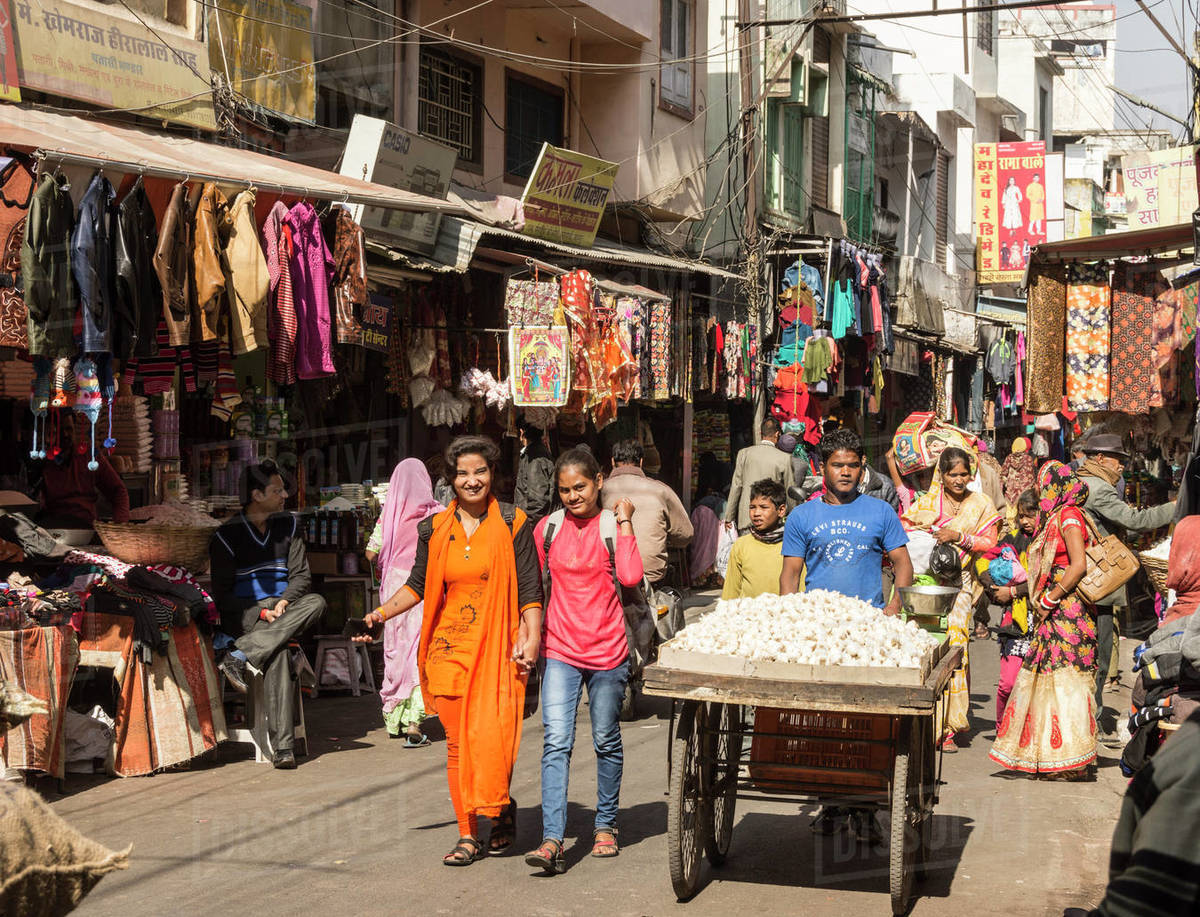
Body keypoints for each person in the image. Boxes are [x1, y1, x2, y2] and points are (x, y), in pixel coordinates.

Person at [362, 436, 543, 866]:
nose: (472, 480)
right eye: (462, 473)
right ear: (451, 480)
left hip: (499, 648)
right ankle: (468, 834)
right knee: (459, 744)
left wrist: (531, 635)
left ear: (493, 474)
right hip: (446, 650)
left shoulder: (515, 522)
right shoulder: (433, 528)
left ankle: (498, 808)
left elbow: (531, 588)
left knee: (493, 739)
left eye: (479, 471)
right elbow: (418, 586)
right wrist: (380, 614)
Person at [781, 428, 913, 841]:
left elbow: (902, 566)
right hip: (820, 630)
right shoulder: (803, 515)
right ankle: (834, 802)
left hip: (869, 630)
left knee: (868, 723)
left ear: (862, 469)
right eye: (838, 464)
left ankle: (865, 805)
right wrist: (795, 615)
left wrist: (894, 608)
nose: (846, 472)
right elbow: (790, 575)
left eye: (853, 465)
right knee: (824, 722)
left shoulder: (880, 512)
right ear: (823, 468)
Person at [524, 449, 643, 874]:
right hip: (560, 651)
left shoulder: (612, 525)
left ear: (598, 481)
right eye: (564, 490)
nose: (573, 496)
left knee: (605, 739)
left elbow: (629, 577)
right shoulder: (548, 529)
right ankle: (552, 838)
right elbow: (534, 588)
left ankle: (606, 825)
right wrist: (529, 638)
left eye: (580, 487)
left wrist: (626, 519)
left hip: (608, 653)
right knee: (556, 741)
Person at [210, 461, 327, 769]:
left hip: (283, 611)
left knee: (315, 602)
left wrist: (284, 602)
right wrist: (262, 610)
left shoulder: (289, 525)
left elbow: (301, 576)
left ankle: (241, 654)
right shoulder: (226, 535)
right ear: (256, 494)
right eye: (277, 490)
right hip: (248, 613)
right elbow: (223, 596)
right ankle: (283, 749)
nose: (285, 495)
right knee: (276, 651)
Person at [989, 461, 1097, 780]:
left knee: (1069, 683)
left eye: (1043, 488)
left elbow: (1078, 565)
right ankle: (1054, 758)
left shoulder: (1069, 516)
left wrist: (1050, 598)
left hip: (1070, 612)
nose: (1042, 494)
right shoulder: (1056, 517)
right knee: (1051, 681)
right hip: (1055, 612)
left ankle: (1071, 760)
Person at [902, 447, 1002, 750]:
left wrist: (959, 537)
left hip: (961, 585)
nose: (959, 480)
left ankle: (947, 726)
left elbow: (990, 543)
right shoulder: (928, 502)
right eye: (952, 474)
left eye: (963, 474)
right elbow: (905, 530)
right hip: (927, 583)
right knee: (925, 643)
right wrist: (931, 529)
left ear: (971, 474)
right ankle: (921, 718)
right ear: (941, 475)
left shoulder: (981, 504)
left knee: (956, 646)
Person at [1077, 433, 1175, 731]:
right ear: (1100, 459)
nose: (1122, 466)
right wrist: (1177, 505)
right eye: (1117, 459)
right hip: (1099, 582)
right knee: (1099, 656)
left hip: (1087, 578)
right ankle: (1090, 724)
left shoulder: (1084, 482)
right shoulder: (1099, 489)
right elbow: (1136, 521)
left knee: (1091, 654)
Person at [362, 459, 443, 745]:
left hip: (396, 587)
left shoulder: (390, 516)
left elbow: (371, 553)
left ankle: (395, 718)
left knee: (397, 648)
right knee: (419, 648)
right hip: (425, 585)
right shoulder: (439, 515)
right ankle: (414, 721)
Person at [978, 489, 1039, 723]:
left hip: (1043, 620)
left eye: (1030, 514)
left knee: (1037, 685)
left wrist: (1014, 590)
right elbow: (983, 562)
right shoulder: (1012, 539)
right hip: (1014, 620)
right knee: (1008, 683)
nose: (1024, 521)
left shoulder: (1051, 539)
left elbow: (1049, 581)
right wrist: (994, 589)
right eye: (1021, 516)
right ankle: (1002, 728)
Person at [601, 439, 692, 587]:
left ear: (612, 462)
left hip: (609, 577)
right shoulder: (661, 490)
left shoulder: (599, 491)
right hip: (651, 578)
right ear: (641, 462)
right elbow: (685, 535)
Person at [38, 416, 130, 527]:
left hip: (86, 526)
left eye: (69, 429)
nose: (66, 435)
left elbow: (118, 491)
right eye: (59, 431)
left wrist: (120, 524)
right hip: (55, 528)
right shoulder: (43, 462)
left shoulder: (88, 456)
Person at [722, 478, 789, 600]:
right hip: (748, 615)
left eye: (764, 507)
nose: (756, 513)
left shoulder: (792, 545)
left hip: (782, 615)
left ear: (781, 510)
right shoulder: (741, 545)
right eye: (752, 507)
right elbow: (731, 590)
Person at [725, 417, 795, 534]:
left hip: (747, 517)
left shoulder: (744, 454)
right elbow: (790, 491)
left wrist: (729, 517)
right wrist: (793, 516)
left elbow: (736, 486)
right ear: (777, 434)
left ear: (760, 433)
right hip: (771, 519)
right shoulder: (785, 458)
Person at [513, 421, 555, 524]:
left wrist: (527, 523)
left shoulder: (535, 457)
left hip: (533, 523)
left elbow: (538, 499)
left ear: (522, 432)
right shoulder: (535, 453)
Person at [1000, 437, 1038, 510]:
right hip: (1024, 494)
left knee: (1010, 516)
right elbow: (1031, 477)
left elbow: (1003, 474)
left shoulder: (1008, 458)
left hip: (1011, 493)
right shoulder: (1028, 459)